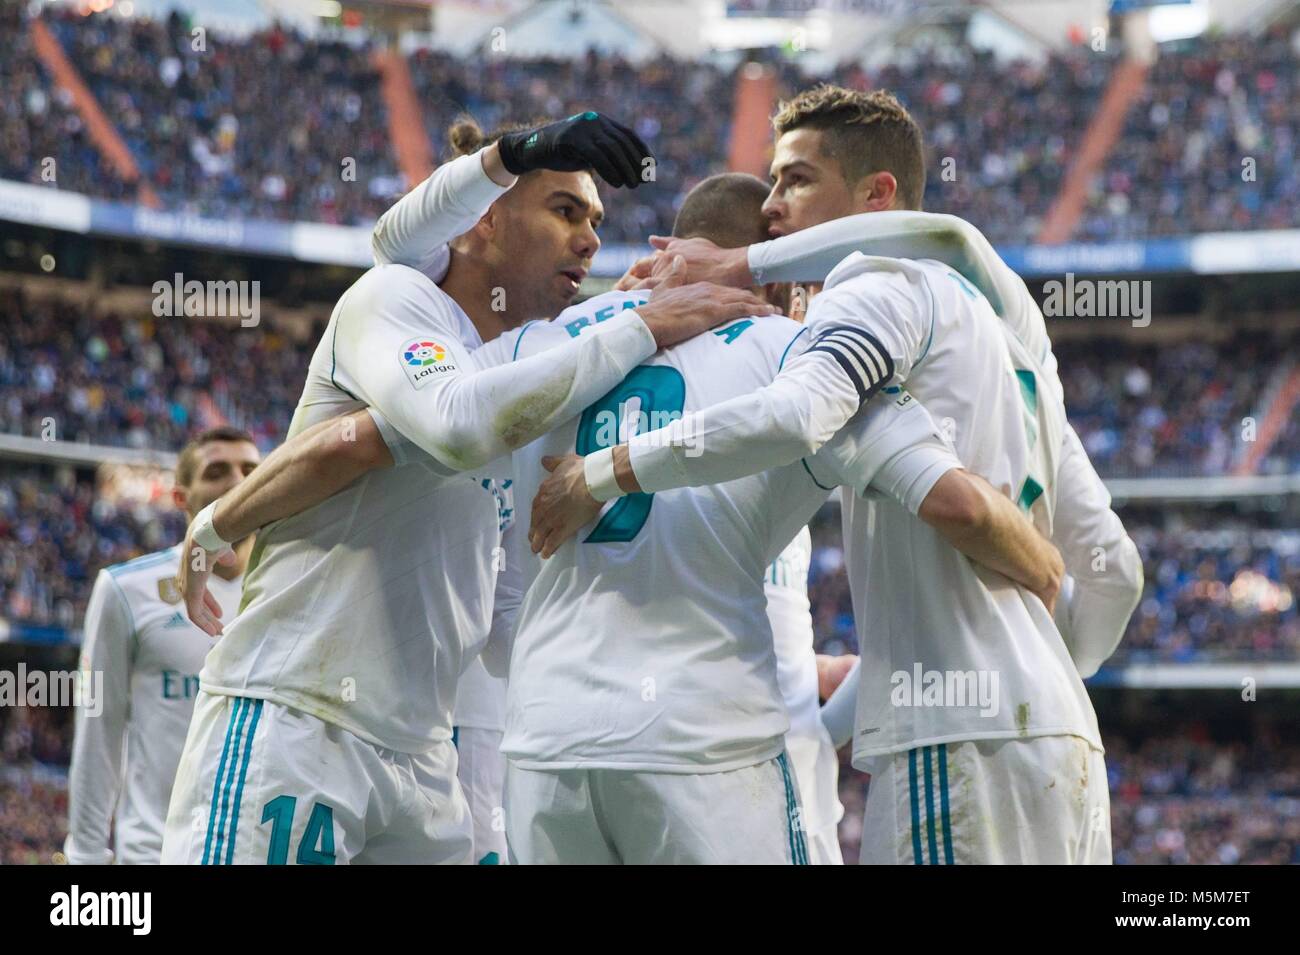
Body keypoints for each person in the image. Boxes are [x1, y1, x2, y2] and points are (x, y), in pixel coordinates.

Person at [531, 86, 1142, 864]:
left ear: (876, 195)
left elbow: (801, 416)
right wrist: (1043, 655)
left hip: (951, 746)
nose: (775, 204)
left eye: (795, 180)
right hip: (1060, 738)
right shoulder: (1016, 338)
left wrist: (608, 470)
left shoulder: (869, 288)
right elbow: (1115, 570)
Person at [162, 113, 769, 865]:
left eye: (597, 221)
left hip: (422, 758)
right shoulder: (394, 300)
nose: (589, 239)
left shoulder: (537, 368)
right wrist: (639, 324)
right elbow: (452, 424)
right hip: (294, 716)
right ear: (482, 218)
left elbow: (507, 606)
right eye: (565, 210)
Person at [65, 427, 260, 864]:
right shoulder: (126, 589)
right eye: (217, 471)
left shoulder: (292, 591)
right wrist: (85, 856)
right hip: (155, 853)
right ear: (181, 497)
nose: (237, 481)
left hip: (254, 851)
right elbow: (98, 730)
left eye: (251, 470)